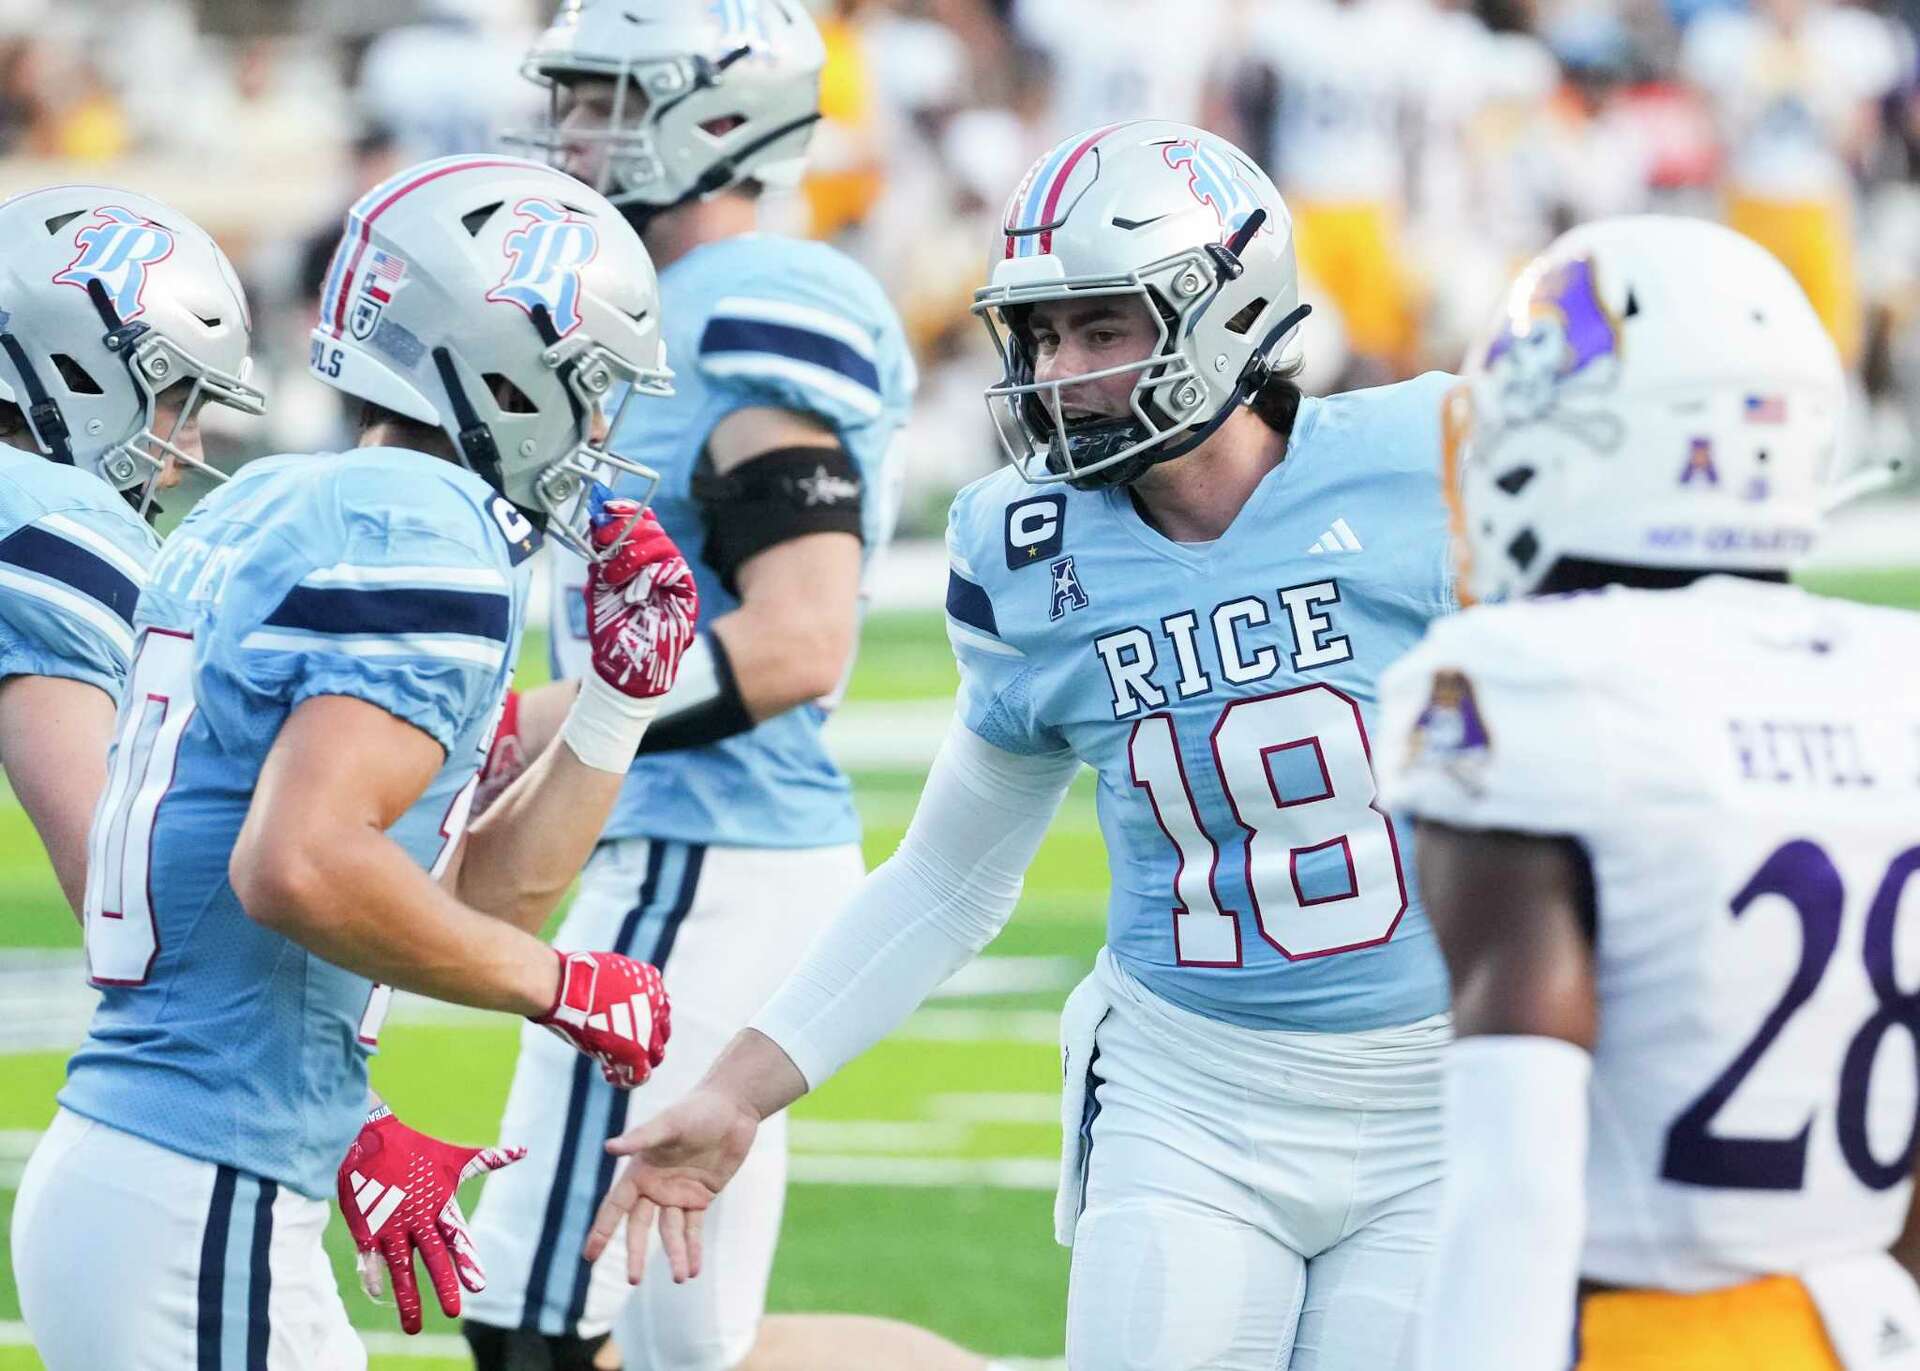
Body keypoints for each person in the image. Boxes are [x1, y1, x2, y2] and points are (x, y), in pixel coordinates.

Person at [588, 119, 1463, 1371]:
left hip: (1441, 1090)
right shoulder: (1025, 545)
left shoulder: (1421, 464)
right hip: (1193, 1095)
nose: (1060, 369)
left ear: (1228, 305)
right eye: (1044, 332)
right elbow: (949, 878)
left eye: (1103, 328)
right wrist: (732, 1094)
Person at [11, 154, 699, 1371]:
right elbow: (301, 869)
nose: (599, 428)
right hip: (194, 1186)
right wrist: (562, 986)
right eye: (587, 385)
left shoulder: (298, 501)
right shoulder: (419, 528)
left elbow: (447, 908)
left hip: (201, 1169)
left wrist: (614, 709)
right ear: (507, 363)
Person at [459, 6, 953, 1370]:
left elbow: (800, 640)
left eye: (610, 99)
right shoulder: (640, 302)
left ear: (721, 115)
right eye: (570, 96)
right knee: (684, 1348)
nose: (573, 131)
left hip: (709, 846)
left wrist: (533, 725)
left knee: (535, 1323)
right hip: (686, 841)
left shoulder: (762, 303)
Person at [1374, 215, 1920, 1370]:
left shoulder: (1530, 685)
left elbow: (1517, 1180)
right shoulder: (1897, 678)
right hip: (1862, 1325)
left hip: (1633, 1332)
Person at [0, 184, 265, 918]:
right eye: (177, 402)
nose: (187, 449)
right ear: (76, 373)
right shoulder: (45, 516)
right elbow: (134, 906)